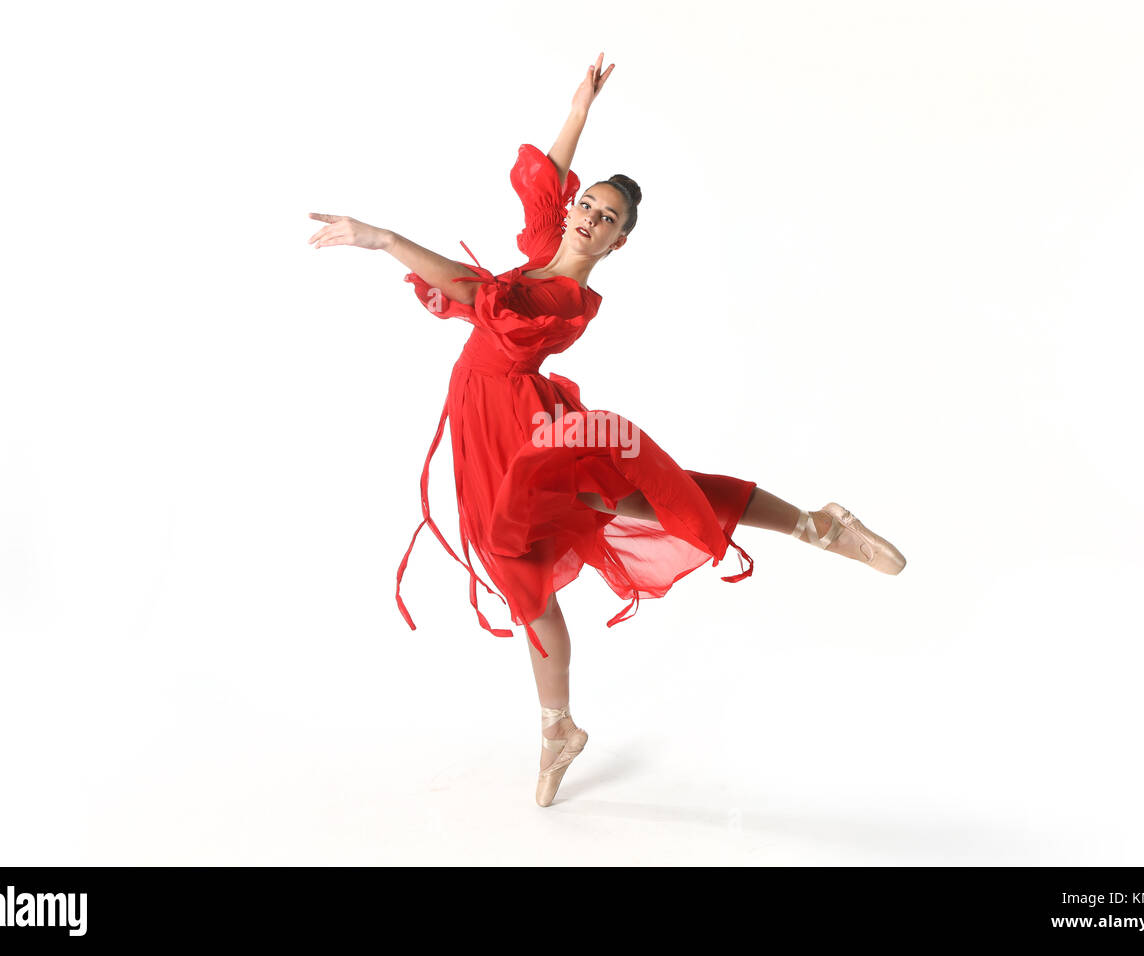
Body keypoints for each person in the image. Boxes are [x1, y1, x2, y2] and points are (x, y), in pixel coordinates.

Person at [307, 53, 906, 808]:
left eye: (608, 220)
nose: (590, 218)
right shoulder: (540, 248)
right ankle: (559, 728)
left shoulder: (561, 301)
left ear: (619, 244)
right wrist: (579, 109)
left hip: (535, 435)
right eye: (588, 206)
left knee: (651, 506)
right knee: (524, 583)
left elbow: (472, 291)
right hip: (483, 431)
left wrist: (382, 238)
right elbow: (546, 183)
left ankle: (816, 524)